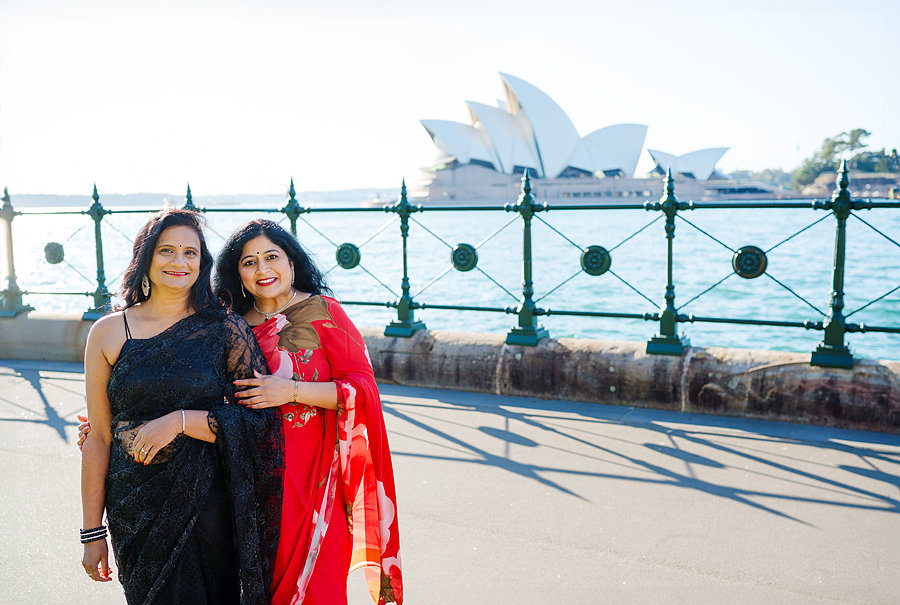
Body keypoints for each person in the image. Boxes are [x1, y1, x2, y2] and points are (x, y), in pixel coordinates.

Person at [79, 210, 283, 605]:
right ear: (146, 257)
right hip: (134, 509)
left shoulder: (224, 327)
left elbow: (260, 421)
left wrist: (181, 421)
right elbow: (99, 438)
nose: (179, 261)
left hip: (206, 507)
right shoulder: (107, 331)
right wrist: (91, 532)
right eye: (166, 250)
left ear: (202, 263)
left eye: (191, 252)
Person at [214, 219, 403, 605]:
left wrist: (291, 391)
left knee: (320, 588)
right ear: (238, 275)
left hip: (318, 480)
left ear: (292, 261)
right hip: (250, 479)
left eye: (272, 257)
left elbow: (363, 390)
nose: (263, 269)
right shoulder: (229, 326)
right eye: (249, 262)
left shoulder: (324, 313)